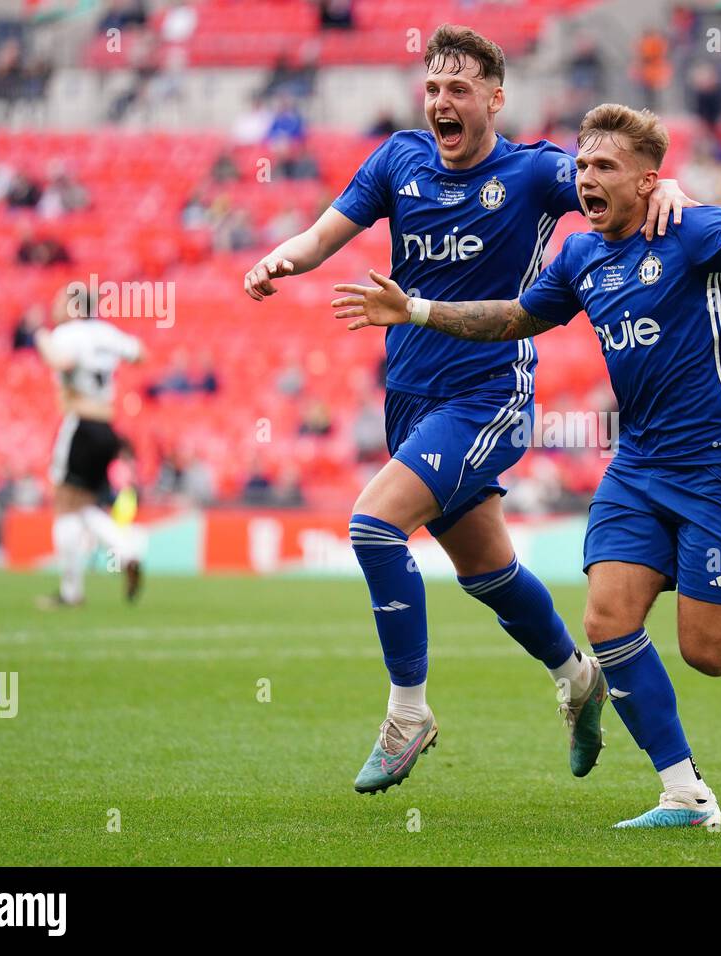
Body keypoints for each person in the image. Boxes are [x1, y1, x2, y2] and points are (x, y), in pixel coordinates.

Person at [333, 103, 721, 828]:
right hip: (637, 466)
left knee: (710, 653)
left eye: (604, 167)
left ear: (647, 182)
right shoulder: (578, 255)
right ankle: (686, 796)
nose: (586, 178)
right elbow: (513, 319)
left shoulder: (691, 229)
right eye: (582, 166)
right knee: (607, 621)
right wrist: (414, 309)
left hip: (716, 464)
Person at [243, 26, 696, 795]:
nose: (441, 102)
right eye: (431, 88)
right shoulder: (398, 159)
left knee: (372, 525)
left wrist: (669, 186)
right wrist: (282, 257)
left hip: (488, 396)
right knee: (488, 570)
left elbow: (615, 184)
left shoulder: (532, 173)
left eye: (458, 90)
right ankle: (575, 674)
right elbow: (325, 233)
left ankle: (407, 713)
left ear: (494, 98)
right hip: (410, 397)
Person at [33, 286, 146, 608]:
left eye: (59, 301)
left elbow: (63, 362)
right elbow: (140, 353)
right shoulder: (105, 332)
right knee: (84, 506)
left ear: (74, 307)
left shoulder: (67, 333)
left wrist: (40, 337)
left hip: (81, 424)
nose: (54, 307)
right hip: (107, 427)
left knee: (65, 504)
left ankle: (71, 592)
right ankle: (127, 552)